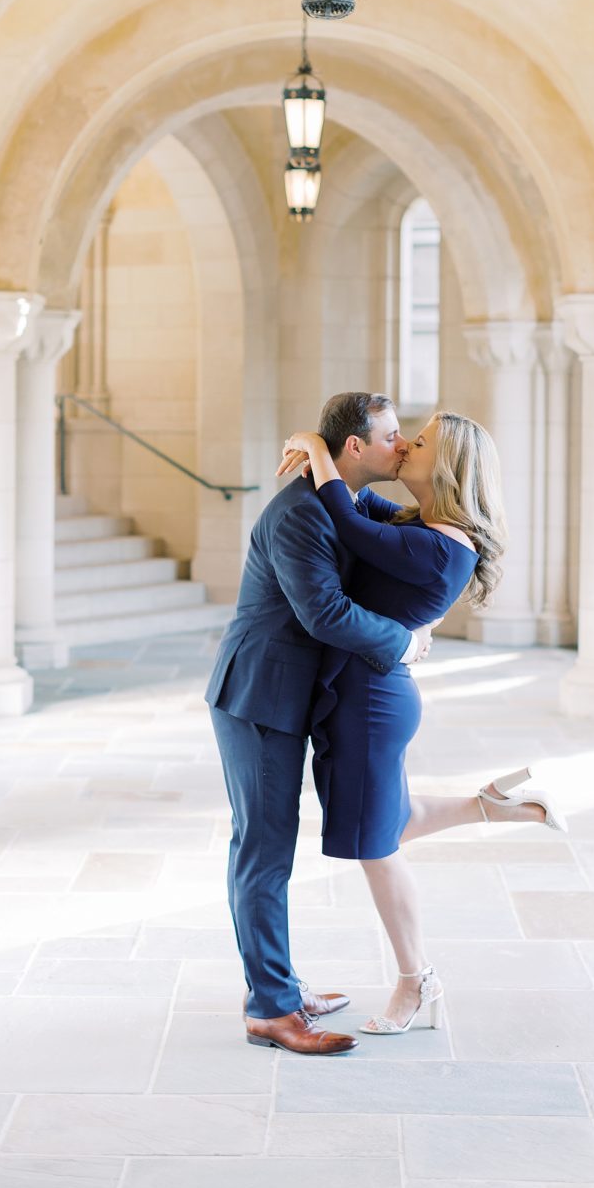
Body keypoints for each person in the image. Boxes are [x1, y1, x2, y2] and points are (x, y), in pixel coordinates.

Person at [278, 410, 567, 1036]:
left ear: (448, 465)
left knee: (375, 847)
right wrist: (330, 457)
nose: (407, 444)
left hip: (371, 703)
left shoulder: (438, 547)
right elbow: (358, 507)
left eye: (422, 441)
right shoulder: (423, 526)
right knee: (383, 821)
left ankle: (417, 979)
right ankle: (492, 805)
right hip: (368, 694)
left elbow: (347, 518)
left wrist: (315, 447)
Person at [205, 391, 435, 1056]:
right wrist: (404, 643)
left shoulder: (347, 497)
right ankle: (272, 1010)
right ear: (356, 446)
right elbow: (325, 614)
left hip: (289, 694)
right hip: (258, 697)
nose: (402, 445)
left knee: (270, 847)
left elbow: (412, 525)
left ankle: (277, 987)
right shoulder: (300, 513)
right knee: (264, 850)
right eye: (392, 436)